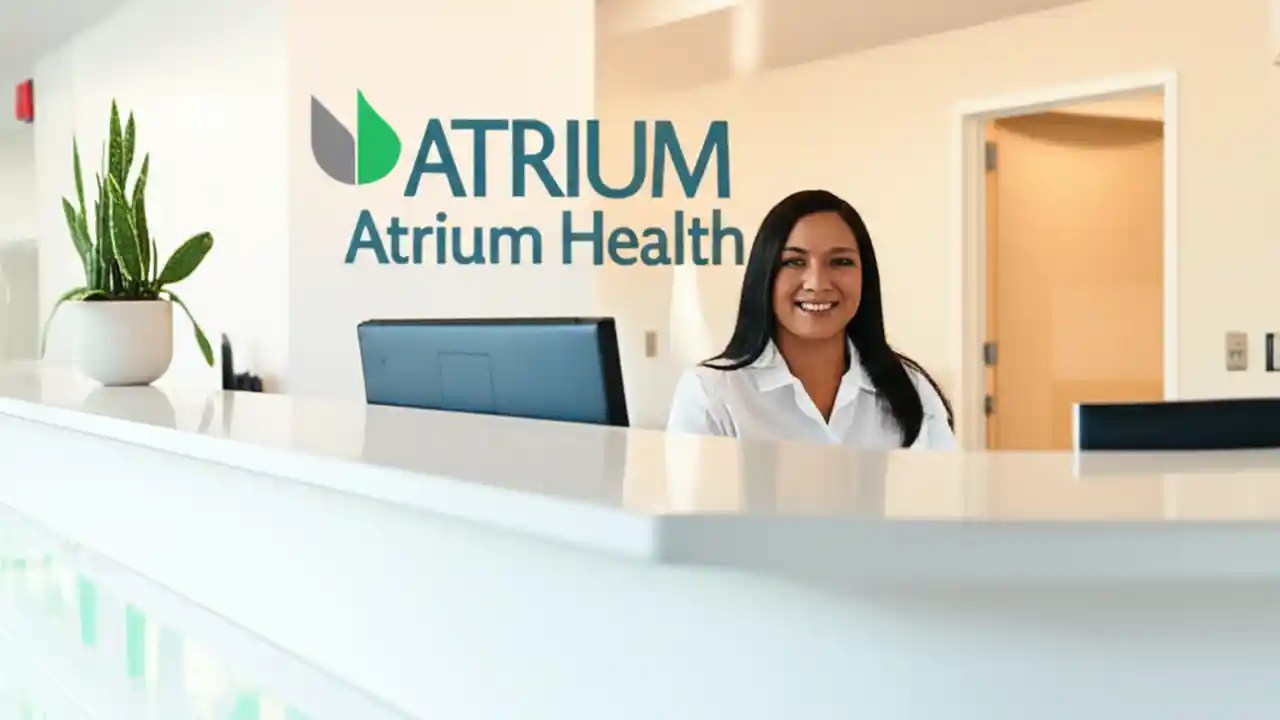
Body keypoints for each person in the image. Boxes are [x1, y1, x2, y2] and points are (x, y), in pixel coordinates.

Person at [666, 189, 957, 449]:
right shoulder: (712, 392)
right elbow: (690, 506)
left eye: (840, 262)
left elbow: (945, 504)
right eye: (794, 262)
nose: (817, 283)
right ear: (765, 274)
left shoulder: (912, 388)